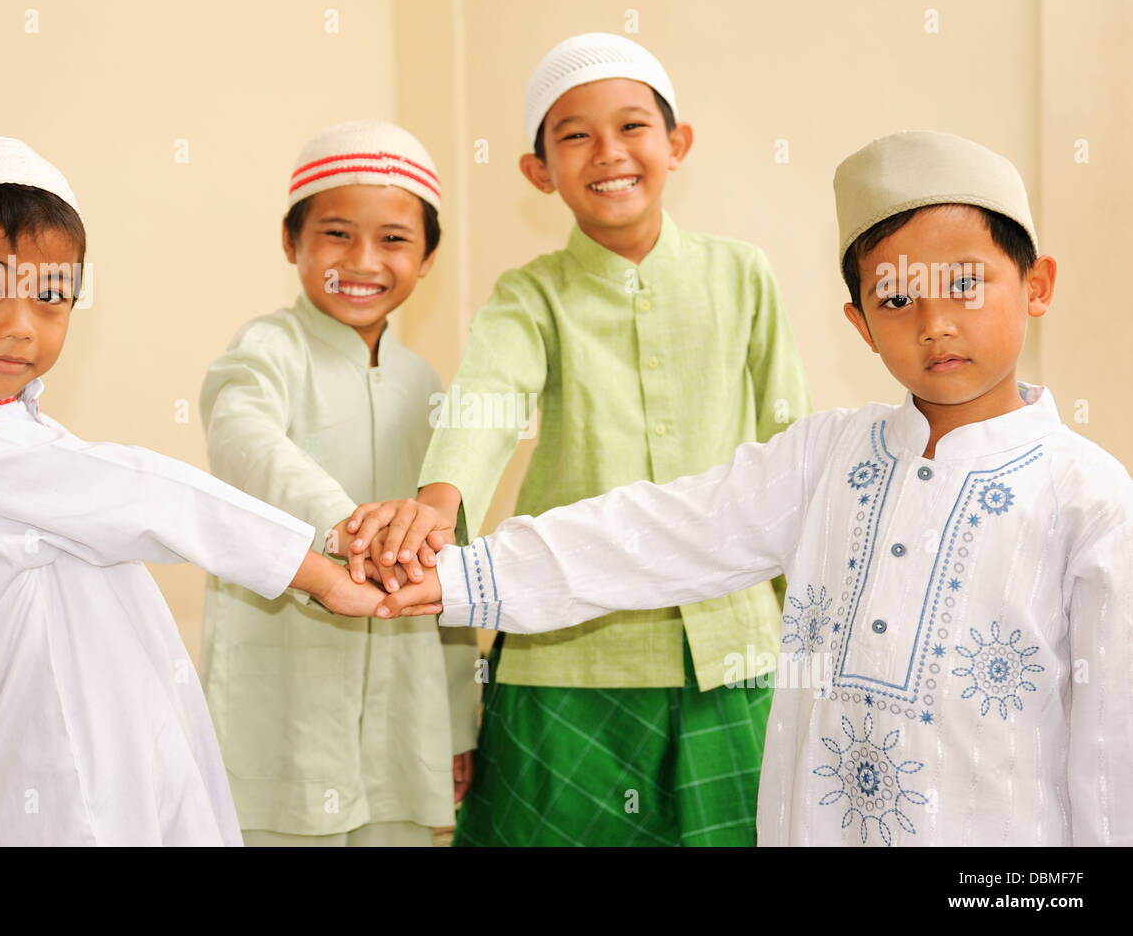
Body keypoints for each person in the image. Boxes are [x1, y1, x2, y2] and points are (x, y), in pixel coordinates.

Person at [376, 129, 1133, 846]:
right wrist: (446, 576)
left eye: (965, 285)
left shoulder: (1088, 497)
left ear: (1037, 286)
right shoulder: (826, 457)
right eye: (896, 298)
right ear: (861, 323)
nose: (933, 322)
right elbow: (654, 535)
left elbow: (1110, 750)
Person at [0, 135, 417, 846]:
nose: (19, 325)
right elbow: (150, 494)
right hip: (67, 764)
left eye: (51, 297)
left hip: (95, 740)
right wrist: (321, 573)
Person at [347, 33, 812, 846]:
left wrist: (811, 625)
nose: (609, 153)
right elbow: (488, 397)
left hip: (734, 655)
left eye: (633, 127)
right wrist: (437, 502)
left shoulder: (744, 275)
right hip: (564, 665)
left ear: (677, 144)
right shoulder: (530, 295)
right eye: (574, 135)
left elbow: (793, 447)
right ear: (539, 171)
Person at [198, 122, 479, 847]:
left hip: (405, 705)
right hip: (282, 687)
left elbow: (451, 572)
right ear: (291, 242)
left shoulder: (427, 384)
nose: (362, 260)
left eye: (392, 239)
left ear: (428, 258)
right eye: (335, 234)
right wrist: (346, 522)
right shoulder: (266, 351)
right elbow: (242, 439)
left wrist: (456, 722)